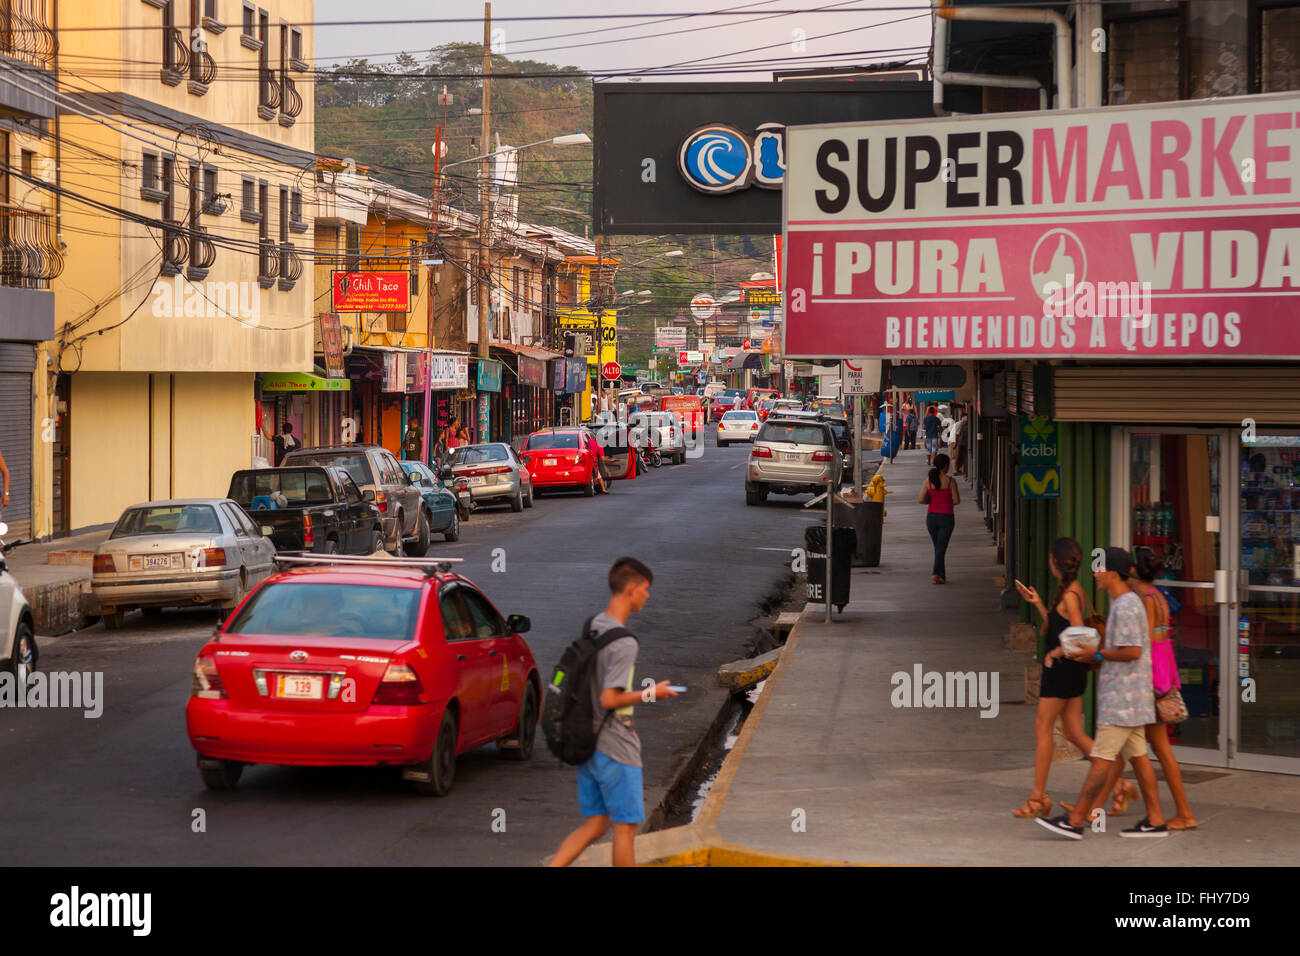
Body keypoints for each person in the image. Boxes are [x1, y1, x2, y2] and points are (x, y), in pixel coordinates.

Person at [549, 558, 679, 867]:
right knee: (625, 829)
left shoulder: (594, 625)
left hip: (588, 742)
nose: (648, 596)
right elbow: (609, 698)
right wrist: (652, 693)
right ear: (632, 588)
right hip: (616, 749)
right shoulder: (625, 643)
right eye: (646, 590)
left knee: (596, 824)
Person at [1038, 547, 1167, 839]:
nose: (1095, 574)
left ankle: (1075, 820)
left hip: (1122, 700)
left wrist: (1096, 656)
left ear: (1112, 572)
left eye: (1099, 568)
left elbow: (1132, 651)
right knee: (1139, 758)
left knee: (1101, 759)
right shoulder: (1127, 603)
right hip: (1132, 698)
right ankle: (1156, 819)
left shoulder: (1125, 606)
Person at [1090, 548, 1197, 830]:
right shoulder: (1159, 596)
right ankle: (1094, 808)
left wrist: (1104, 651)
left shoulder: (1143, 601)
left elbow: (1141, 645)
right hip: (1164, 673)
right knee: (1128, 749)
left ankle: (1184, 813)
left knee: (1155, 749)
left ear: (1133, 571)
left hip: (1150, 680)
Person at [1011, 538, 1094, 819]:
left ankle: (1038, 797)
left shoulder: (1071, 595)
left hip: (1061, 669)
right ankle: (1117, 783)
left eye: (1050, 558)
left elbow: (1078, 634)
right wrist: (1038, 605)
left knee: (1042, 727)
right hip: (1071, 670)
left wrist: (1056, 652)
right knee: (1073, 732)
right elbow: (1054, 627)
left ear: (1056, 563)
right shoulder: (1071, 592)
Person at [919, 452, 959, 584]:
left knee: (938, 547)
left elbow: (921, 500)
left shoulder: (928, 481)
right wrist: (945, 503)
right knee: (941, 548)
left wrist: (932, 502)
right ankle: (936, 573)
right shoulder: (950, 482)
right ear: (946, 466)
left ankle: (942, 576)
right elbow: (956, 501)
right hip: (946, 517)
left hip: (931, 518)